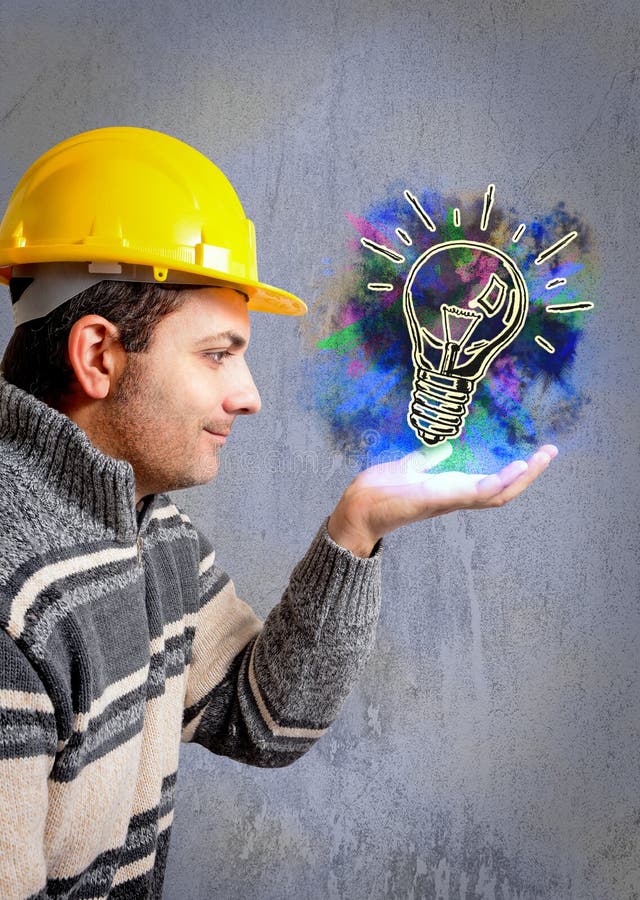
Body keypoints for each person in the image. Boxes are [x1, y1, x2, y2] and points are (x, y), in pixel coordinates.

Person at [0, 127, 557, 899]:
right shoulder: (15, 599)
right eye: (217, 354)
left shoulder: (149, 532)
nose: (249, 395)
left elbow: (264, 719)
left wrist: (356, 529)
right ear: (98, 356)